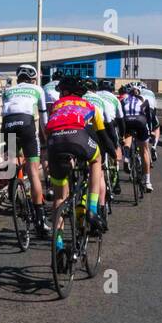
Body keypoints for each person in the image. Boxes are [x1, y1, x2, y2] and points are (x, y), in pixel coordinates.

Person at [45, 74, 112, 256]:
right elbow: (101, 134)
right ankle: (91, 209)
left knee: (60, 197)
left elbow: (48, 130)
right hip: (79, 139)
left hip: (54, 142)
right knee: (96, 159)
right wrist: (114, 151)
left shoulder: (56, 106)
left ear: (65, 92)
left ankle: (58, 247)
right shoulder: (90, 105)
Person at [0, 64, 49, 234]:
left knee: (13, 163)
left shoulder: (7, 90)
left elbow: (6, 112)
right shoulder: (37, 89)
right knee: (33, 171)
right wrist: (47, 140)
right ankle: (40, 219)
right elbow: (44, 119)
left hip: (7, 126)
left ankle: (16, 194)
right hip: (26, 124)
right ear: (33, 79)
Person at [85, 79, 124, 202]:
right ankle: (115, 179)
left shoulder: (81, 98)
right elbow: (118, 119)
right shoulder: (110, 98)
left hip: (81, 130)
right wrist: (118, 140)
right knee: (100, 166)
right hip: (103, 126)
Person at [120, 82, 157, 192]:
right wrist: (150, 131)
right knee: (144, 151)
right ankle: (147, 182)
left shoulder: (123, 100)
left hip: (127, 122)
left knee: (128, 135)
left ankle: (126, 155)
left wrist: (121, 133)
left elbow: (120, 117)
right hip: (140, 122)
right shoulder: (144, 100)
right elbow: (149, 117)